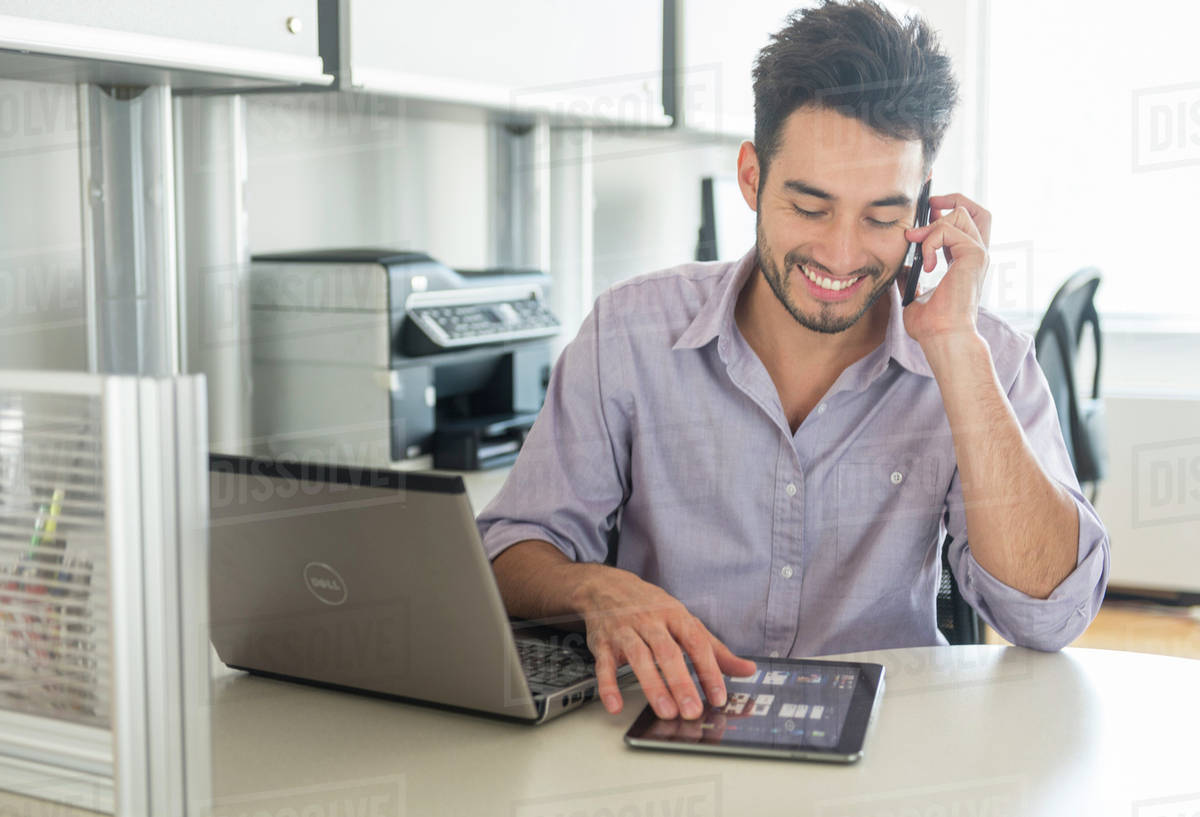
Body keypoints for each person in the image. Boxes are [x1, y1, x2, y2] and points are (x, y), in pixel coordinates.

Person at [476, 0, 1110, 722]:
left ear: (926, 207)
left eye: (881, 216)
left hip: (894, 748)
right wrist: (593, 587)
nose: (842, 255)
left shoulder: (982, 353)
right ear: (752, 177)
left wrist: (957, 351)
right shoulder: (629, 332)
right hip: (669, 745)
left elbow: (1050, 618)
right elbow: (507, 552)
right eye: (810, 207)